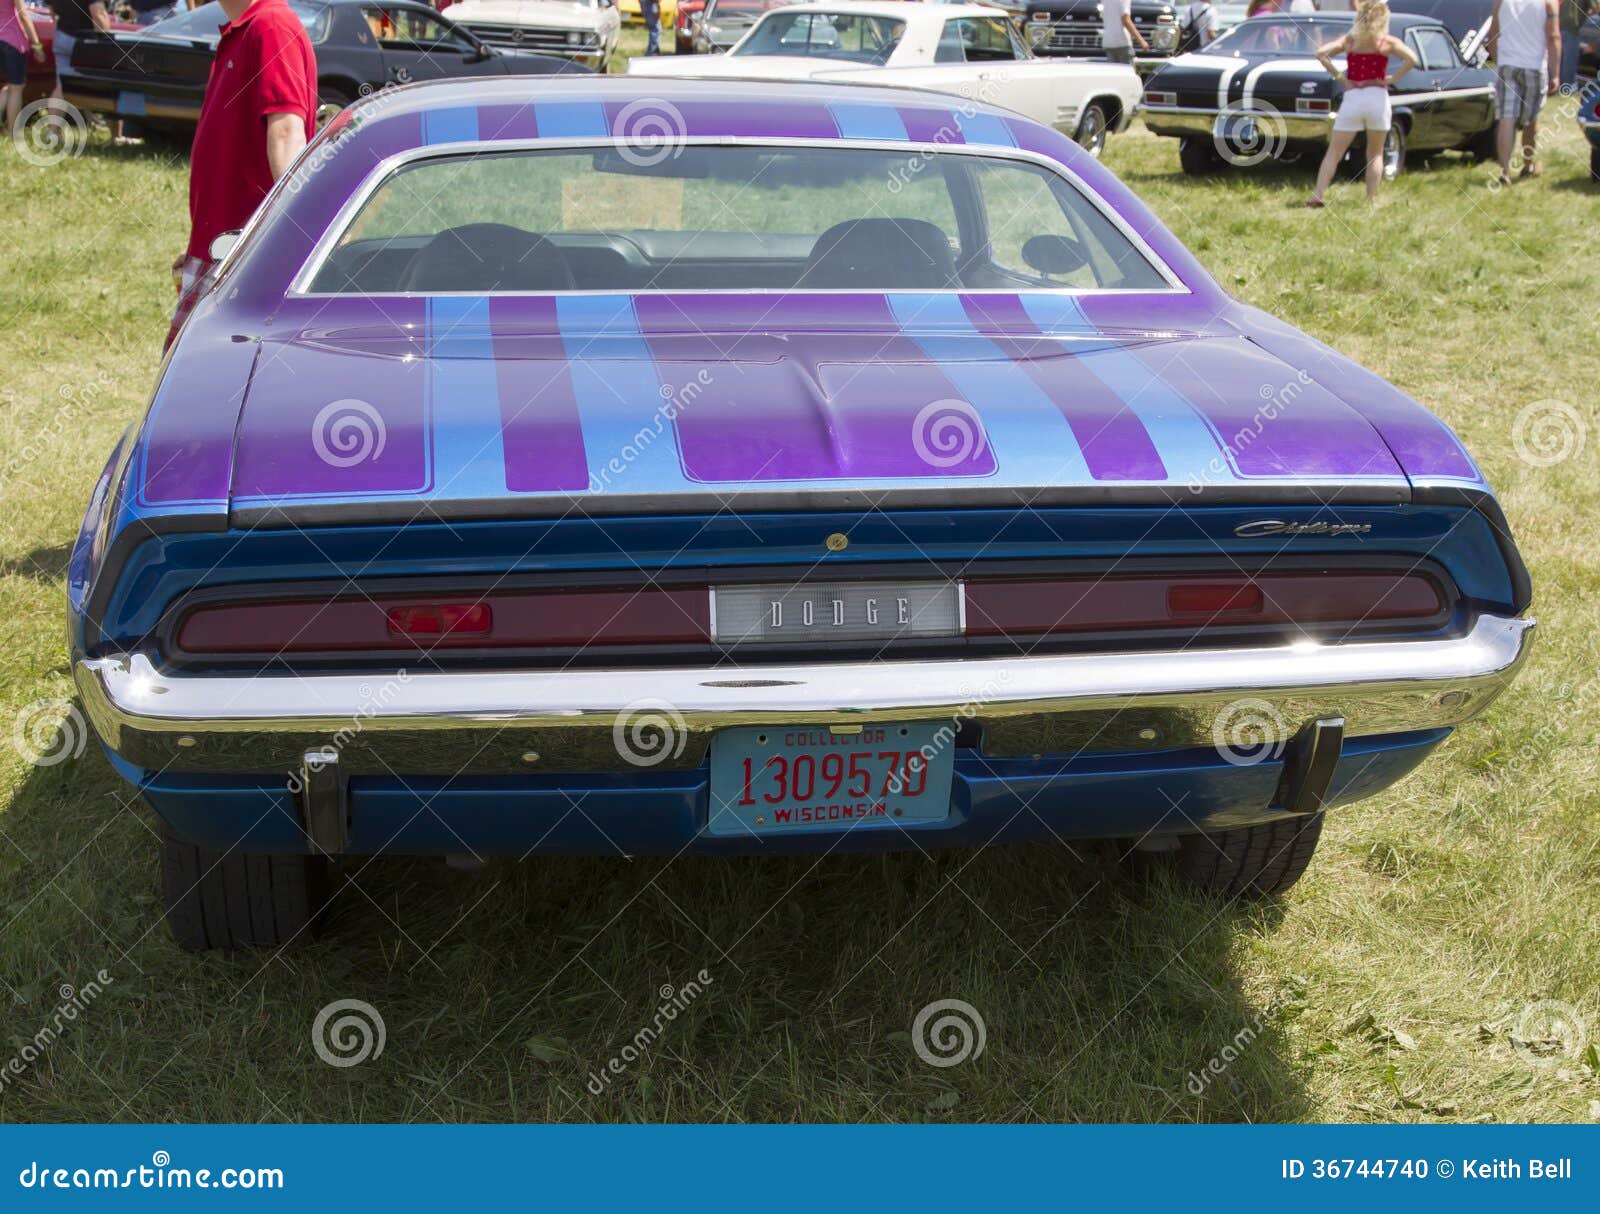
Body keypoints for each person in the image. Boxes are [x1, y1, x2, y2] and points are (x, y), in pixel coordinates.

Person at [170, 0, 316, 343]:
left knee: (195, 384)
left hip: (245, 260)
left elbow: (287, 133)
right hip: (222, 252)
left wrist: (292, 237)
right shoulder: (245, 29)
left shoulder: (271, 25)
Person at [1305, 0, 1418, 206]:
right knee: (1375, 153)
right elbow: (1412, 59)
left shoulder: (1350, 41)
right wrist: (1392, 79)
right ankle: (1371, 199)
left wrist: (1341, 78)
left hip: (1354, 96)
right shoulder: (1386, 42)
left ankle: (1318, 195)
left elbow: (1321, 53)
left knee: (1335, 152)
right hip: (1377, 96)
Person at [1488, 0, 1560, 184]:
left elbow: (1492, 34)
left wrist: (1499, 61)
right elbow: (1553, 37)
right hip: (1534, 66)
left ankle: (1504, 172)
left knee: (1506, 118)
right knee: (1530, 120)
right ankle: (1527, 165)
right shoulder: (1548, 2)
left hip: (1507, 64)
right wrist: (1555, 74)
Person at [2, 0, 46, 137]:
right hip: (12, 40)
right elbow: (23, 15)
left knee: (8, 88)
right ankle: (13, 133)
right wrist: (37, 45)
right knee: (16, 87)